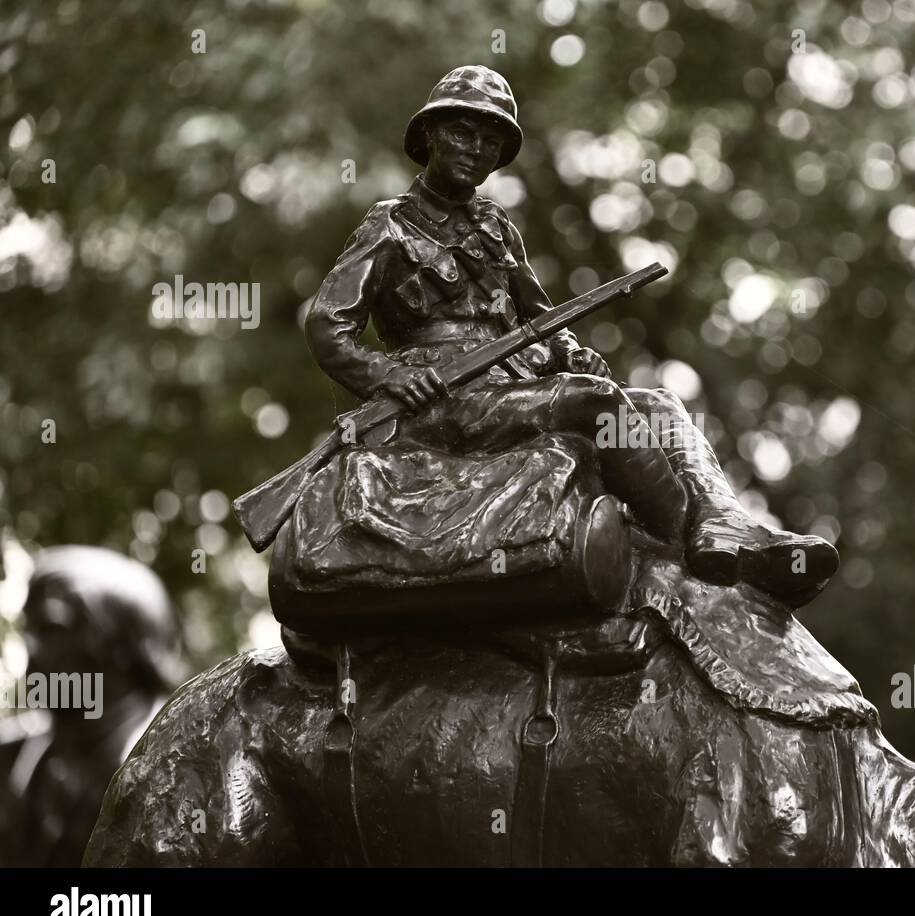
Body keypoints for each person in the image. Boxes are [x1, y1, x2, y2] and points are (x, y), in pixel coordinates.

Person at [304, 65, 837, 605]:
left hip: (508, 384)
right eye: (463, 133)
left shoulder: (494, 224)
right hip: (445, 400)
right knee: (598, 404)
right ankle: (692, 545)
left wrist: (572, 351)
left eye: (491, 141)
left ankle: (726, 526)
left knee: (659, 404)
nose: (476, 150)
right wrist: (392, 377)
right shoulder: (390, 225)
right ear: (430, 135)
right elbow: (328, 326)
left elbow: (540, 316)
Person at [0, 546, 183, 866]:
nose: (31, 650)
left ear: (121, 648)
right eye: (29, 630)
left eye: (52, 629)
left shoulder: (184, 770)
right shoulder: (8, 760)